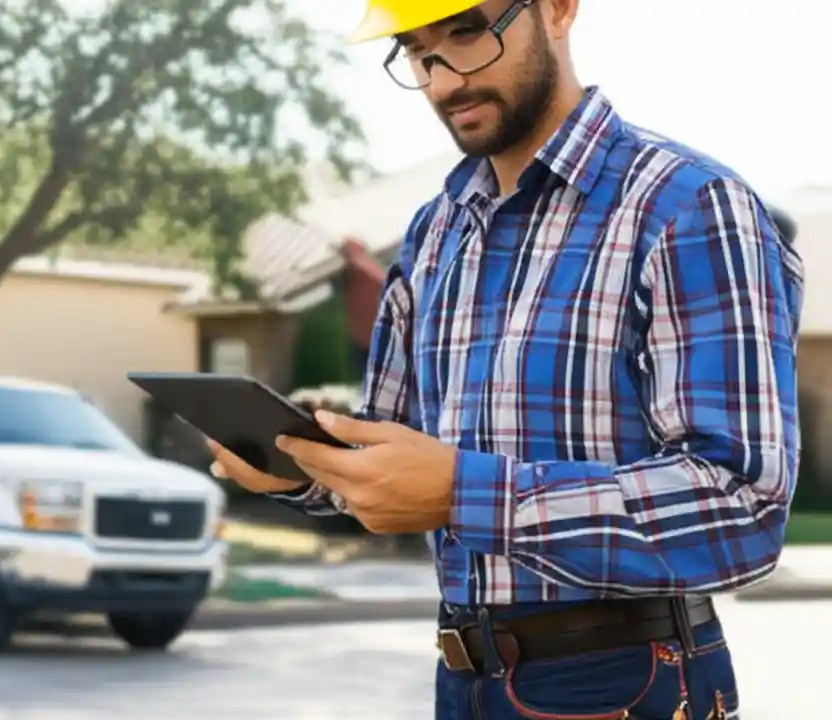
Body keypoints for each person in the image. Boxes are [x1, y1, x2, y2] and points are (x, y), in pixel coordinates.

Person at [207, 1, 804, 717]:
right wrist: (296, 466)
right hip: (463, 677)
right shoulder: (434, 233)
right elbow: (397, 458)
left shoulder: (687, 207)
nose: (442, 82)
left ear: (557, 9)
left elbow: (742, 506)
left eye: (466, 33)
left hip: (627, 679)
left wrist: (464, 493)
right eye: (419, 52)